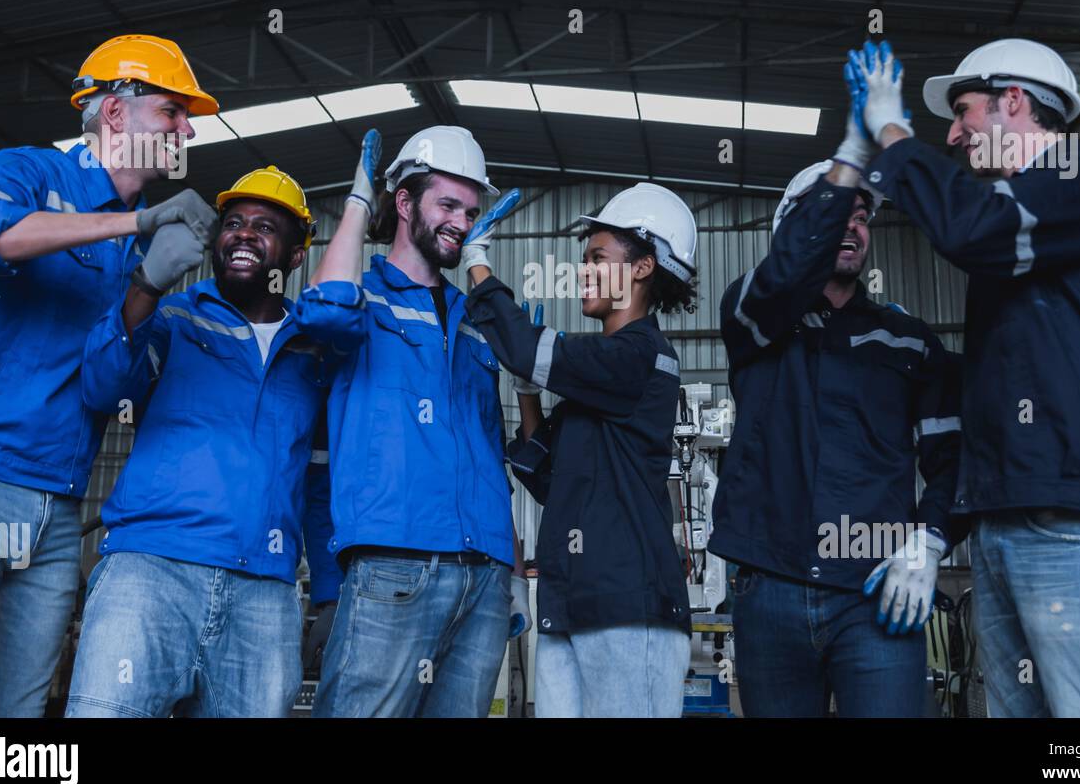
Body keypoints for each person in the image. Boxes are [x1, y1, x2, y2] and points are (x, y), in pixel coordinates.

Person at [839, 38, 1080, 717]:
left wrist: (891, 129)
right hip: (1007, 518)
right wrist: (939, 529)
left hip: (1075, 518)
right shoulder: (1030, 231)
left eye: (963, 111)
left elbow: (971, 228)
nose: (954, 135)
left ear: (1013, 101)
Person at [0, 34, 218, 717]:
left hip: (56, 509)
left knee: (18, 722)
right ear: (115, 114)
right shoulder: (27, 173)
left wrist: (144, 286)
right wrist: (133, 222)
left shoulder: (136, 249)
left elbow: (106, 390)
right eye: (173, 111)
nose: (188, 127)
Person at [64, 166, 342, 717]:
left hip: (264, 592)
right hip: (150, 571)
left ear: (294, 255)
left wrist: (330, 591)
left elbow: (318, 480)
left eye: (265, 227)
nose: (243, 233)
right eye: (233, 223)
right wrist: (145, 284)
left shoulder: (314, 351)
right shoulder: (174, 318)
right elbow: (102, 388)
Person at [709, 117, 964, 715]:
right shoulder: (755, 319)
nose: (851, 227)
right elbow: (779, 279)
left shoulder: (908, 341)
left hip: (875, 595)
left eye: (860, 217)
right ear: (794, 229)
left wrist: (930, 541)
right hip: (768, 588)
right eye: (834, 213)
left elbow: (953, 459)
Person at [296, 126, 525, 718]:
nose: (462, 221)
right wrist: (356, 203)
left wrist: (513, 570)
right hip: (394, 560)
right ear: (403, 203)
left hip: (484, 570)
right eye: (447, 205)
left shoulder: (476, 323)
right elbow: (322, 313)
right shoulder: (362, 298)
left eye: (471, 211)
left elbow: (491, 449)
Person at [465, 182, 699, 718]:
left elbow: (527, 348)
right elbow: (548, 478)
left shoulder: (638, 356)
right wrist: (527, 395)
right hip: (569, 606)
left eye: (598, 257)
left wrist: (478, 265)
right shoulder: (599, 381)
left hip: (627, 611)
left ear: (642, 267)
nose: (584, 270)